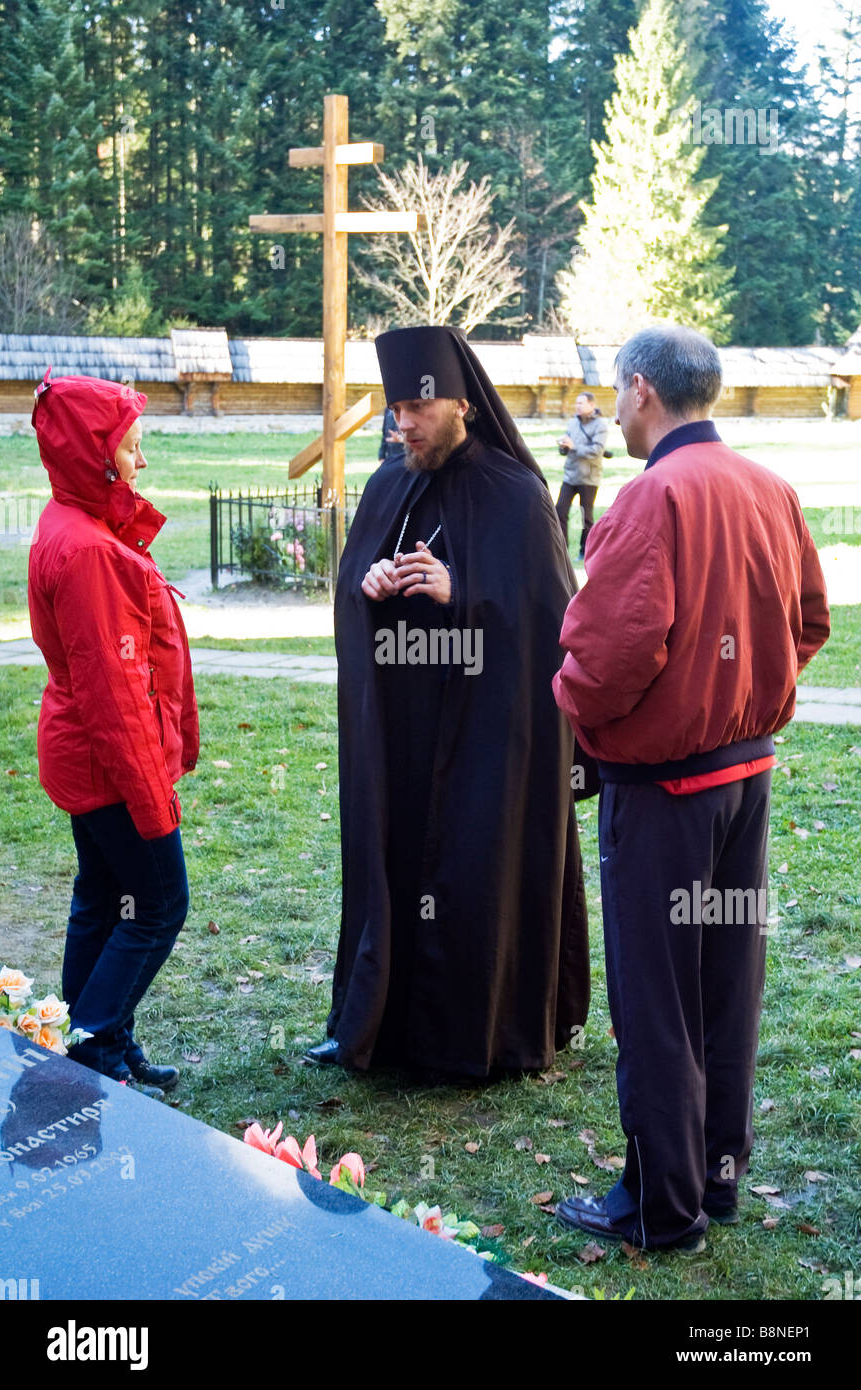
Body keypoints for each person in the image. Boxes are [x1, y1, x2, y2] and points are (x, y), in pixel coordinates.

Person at [552, 325, 830, 1252]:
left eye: (615, 394)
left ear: (639, 391)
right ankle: (717, 1178)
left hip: (667, 795)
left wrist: (583, 721)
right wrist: (741, 693)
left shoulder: (650, 498)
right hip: (746, 783)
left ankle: (663, 1209)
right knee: (725, 986)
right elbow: (808, 623)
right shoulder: (772, 490)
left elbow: (610, 654)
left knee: (658, 999)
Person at [305, 324, 594, 1076]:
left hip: (482, 741)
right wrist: (367, 591)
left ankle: (478, 1036)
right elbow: (350, 600)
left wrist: (463, 595)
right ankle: (379, 1024)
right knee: (389, 863)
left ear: (461, 402)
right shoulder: (386, 487)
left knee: (472, 871)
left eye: (416, 408)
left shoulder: (518, 497)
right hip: (399, 735)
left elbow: (553, 628)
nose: (402, 423)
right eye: (395, 408)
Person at [28, 369, 199, 1100]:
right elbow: (115, 698)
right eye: (132, 448)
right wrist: (150, 797)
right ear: (96, 455)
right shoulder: (92, 552)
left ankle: (103, 1037)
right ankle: (93, 1040)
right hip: (108, 766)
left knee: (104, 898)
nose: (142, 461)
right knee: (159, 902)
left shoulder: (75, 521)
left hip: (83, 759)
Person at [555, 392, 607, 558]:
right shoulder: (572, 422)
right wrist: (563, 446)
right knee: (559, 512)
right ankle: (562, 550)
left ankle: (585, 551)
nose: (577, 406)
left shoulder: (600, 425)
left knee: (586, 517)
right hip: (570, 475)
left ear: (592, 405)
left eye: (581, 403)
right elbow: (567, 447)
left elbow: (597, 451)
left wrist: (574, 446)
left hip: (588, 478)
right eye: (576, 403)